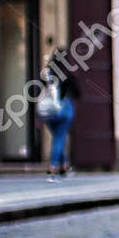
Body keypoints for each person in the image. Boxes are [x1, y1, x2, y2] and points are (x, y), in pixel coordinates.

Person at [40, 49, 78, 180]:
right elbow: (78, 93)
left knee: (58, 137)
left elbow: (38, 91)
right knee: (59, 138)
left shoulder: (47, 73)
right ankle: (52, 167)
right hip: (64, 109)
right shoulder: (68, 74)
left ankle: (64, 166)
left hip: (49, 111)